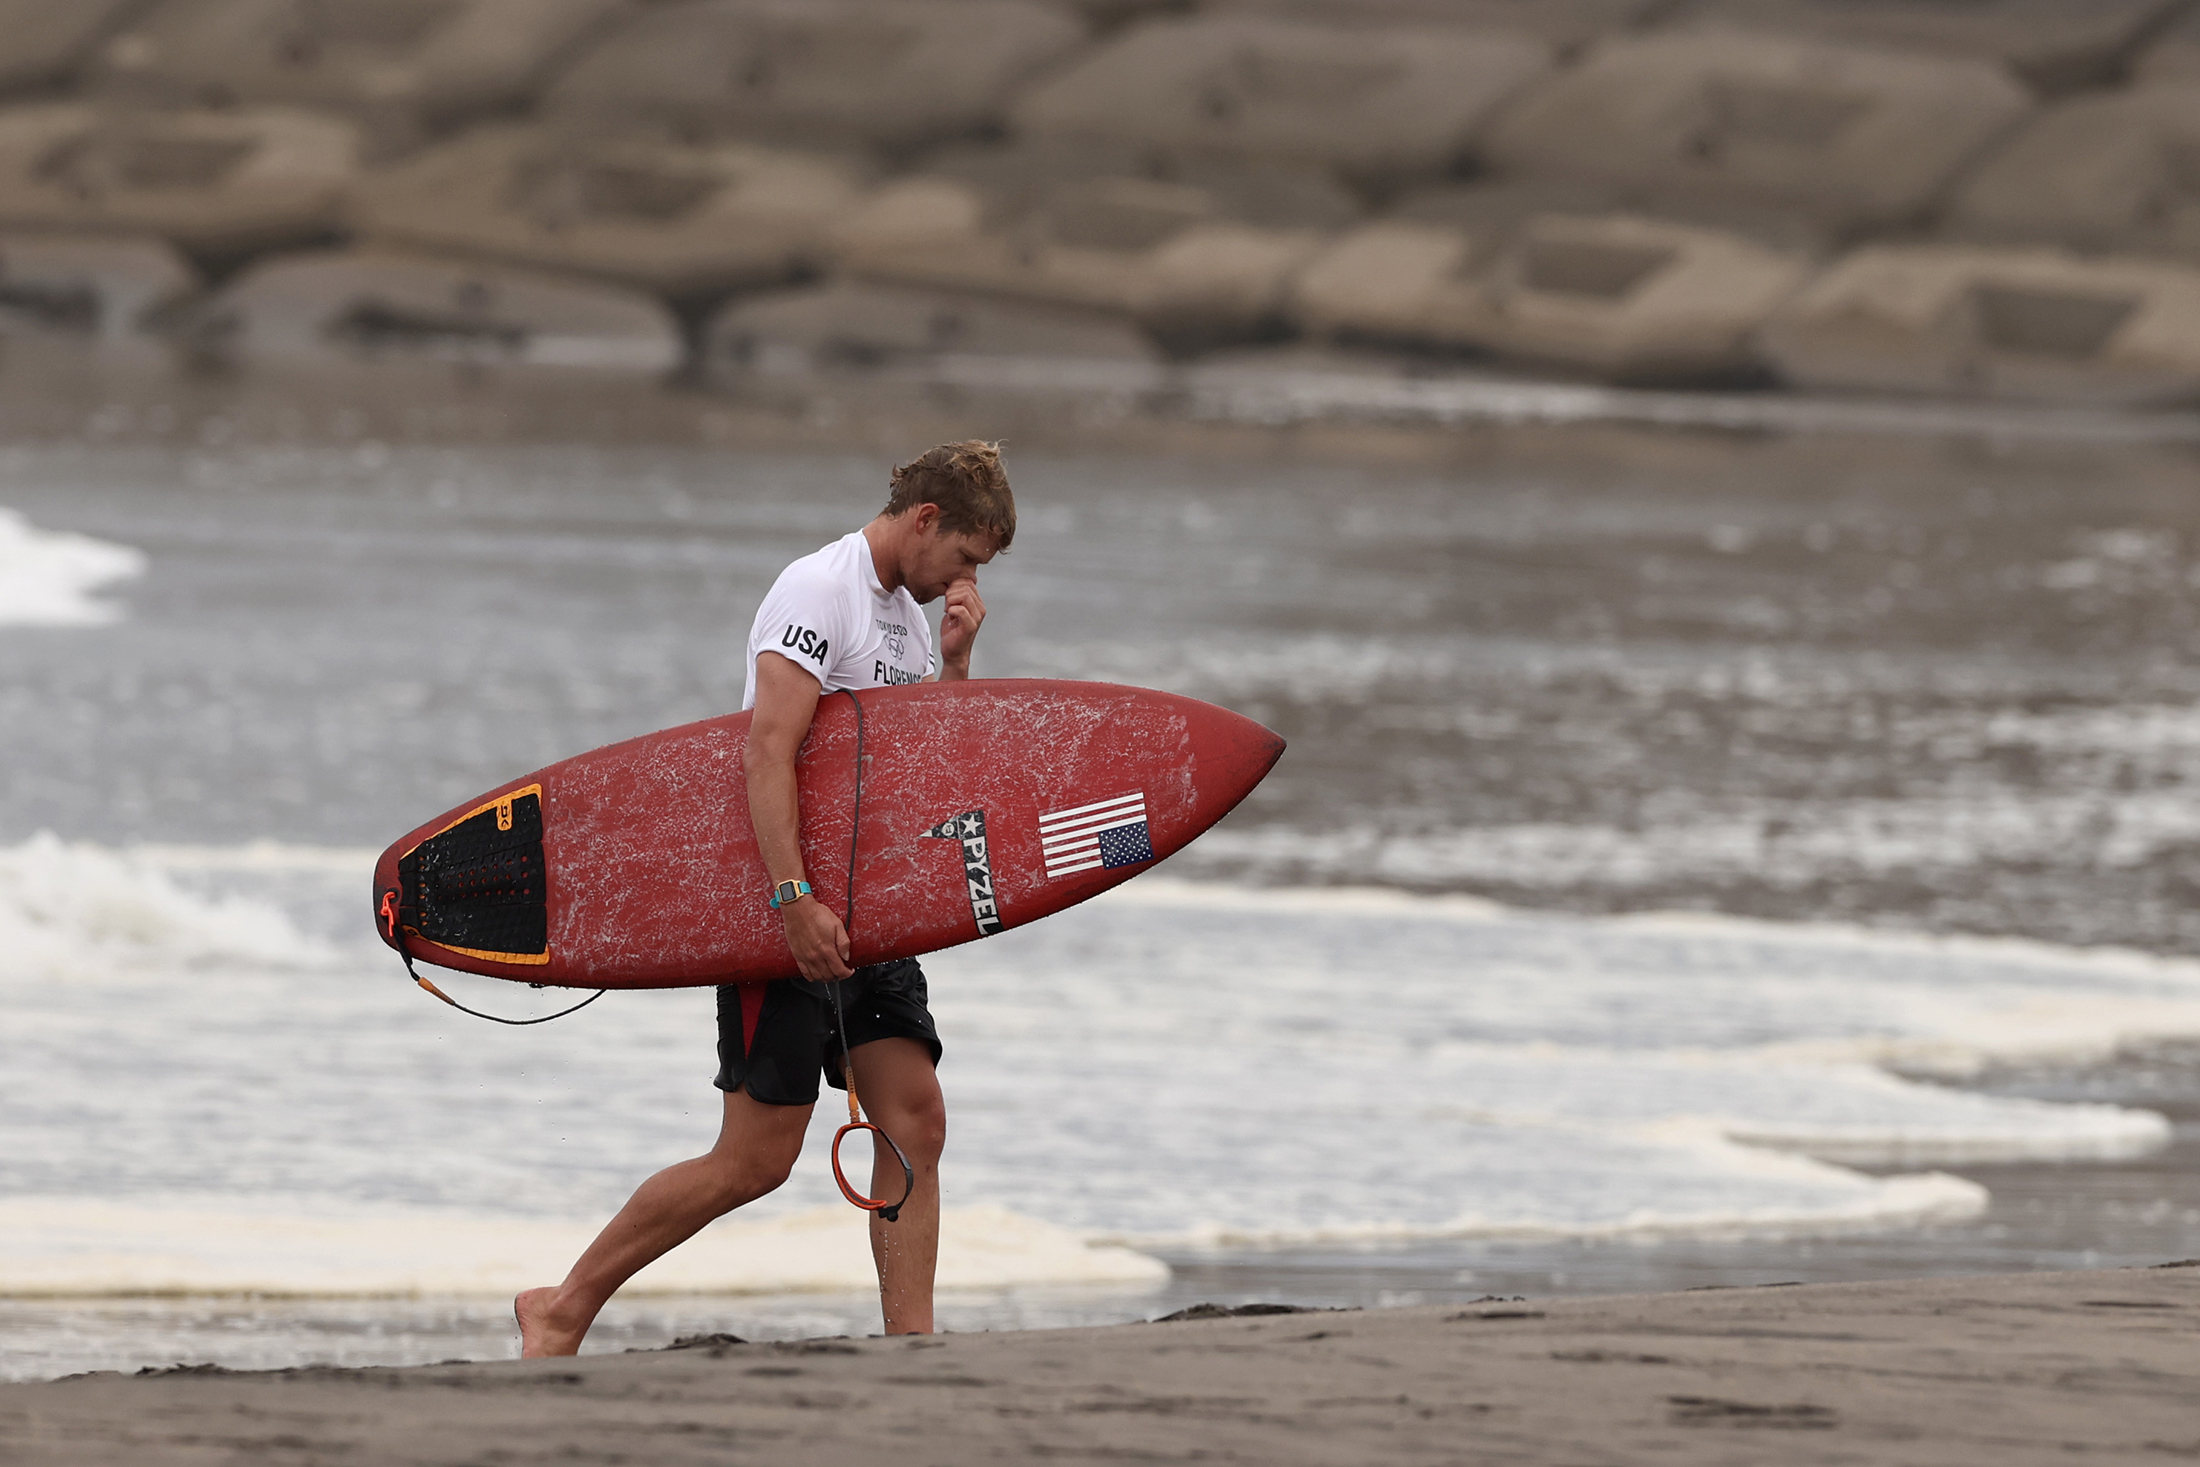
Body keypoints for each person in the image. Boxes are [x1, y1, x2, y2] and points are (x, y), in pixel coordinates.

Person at [516, 441, 1015, 1354]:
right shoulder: (815, 592)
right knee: (753, 1161)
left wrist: (956, 667)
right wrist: (792, 900)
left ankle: (913, 1347)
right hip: (780, 911)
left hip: (873, 918)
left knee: (916, 1118)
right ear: (926, 520)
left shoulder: (910, 617)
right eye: (967, 557)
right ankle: (562, 1303)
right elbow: (766, 750)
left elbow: (913, 777)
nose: (966, 578)